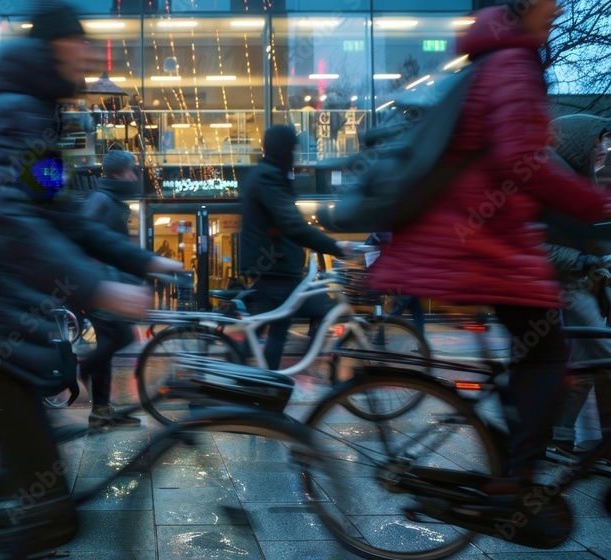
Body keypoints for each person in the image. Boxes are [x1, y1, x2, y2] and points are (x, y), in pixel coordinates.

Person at [0, 2, 181, 554]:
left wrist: (143, 262)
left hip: (7, 324)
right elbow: (6, 218)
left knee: (31, 473)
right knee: (50, 517)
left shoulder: (38, 114)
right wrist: (98, 287)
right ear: (54, 48)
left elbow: (58, 212)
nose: (90, 54)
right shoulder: (15, 111)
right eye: (80, 43)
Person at [368, 1, 611, 495]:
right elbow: (523, 160)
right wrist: (593, 203)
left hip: (485, 238)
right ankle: (517, 481)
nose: (559, 7)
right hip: (490, 241)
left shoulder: (493, 57)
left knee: (533, 356)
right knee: (547, 356)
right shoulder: (512, 63)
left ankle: (514, 454)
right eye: (549, 1)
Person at [238, 124, 348, 369]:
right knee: (276, 332)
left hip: (272, 268)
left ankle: (243, 380)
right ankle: (265, 388)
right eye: (293, 150)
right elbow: (293, 226)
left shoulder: (267, 174)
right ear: (285, 149)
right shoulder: (269, 177)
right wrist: (337, 247)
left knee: (260, 331)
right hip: (275, 269)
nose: (295, 156)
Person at [542, 114, 611, 465]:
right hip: (567, 287)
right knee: (604, 356)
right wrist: (586, 260)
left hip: (580, 285)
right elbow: (541, 244)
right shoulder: (557, 184)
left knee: (588, 365)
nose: (602, 149)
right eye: (596, 142)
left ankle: (561, 437)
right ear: (578, 143)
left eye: (604, 143)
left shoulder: (578, 181)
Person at [79, 149, 147, 428]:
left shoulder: (110, 199)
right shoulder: (102, 200)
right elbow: (89, 238)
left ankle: (101, 412)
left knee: (111, 342)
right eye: (131, 171)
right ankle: (81, 370)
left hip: (103, 286)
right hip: (99, 287)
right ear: (119, 173)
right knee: (121, 338)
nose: (134, 176)